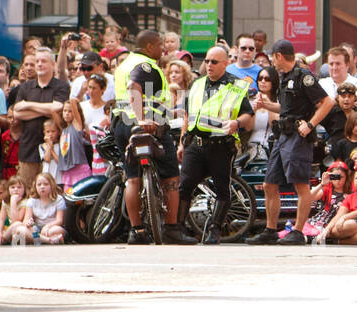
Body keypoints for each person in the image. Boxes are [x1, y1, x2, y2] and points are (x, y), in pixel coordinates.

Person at [246, 39, 335, 245]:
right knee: (269, 184)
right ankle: (270, 229)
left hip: (298, 137)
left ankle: (298, 230)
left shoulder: (304, 76)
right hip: (282, 136)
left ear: (278, 56)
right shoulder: (284, 77)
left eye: (272, 57)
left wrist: (310, 125)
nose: (271, 62)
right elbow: (285, 109)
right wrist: (267, 105)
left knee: (301, 185)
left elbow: (327, 102)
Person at [110, 31, 190, 244]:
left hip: (122, 125)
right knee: (171, 177)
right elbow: (133, 88)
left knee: (132, 178)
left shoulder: (123, 65)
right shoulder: (145, 65)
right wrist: (142, 119)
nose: (163, 49)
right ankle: (172, 229)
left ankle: (137, 232)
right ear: (148, 46)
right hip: (149, 127)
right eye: (159, 45)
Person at [177, 45, 254, 244]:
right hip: (195, 144)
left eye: (214, 62)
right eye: (207, 61)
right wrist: (181, 142)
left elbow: (248, 114)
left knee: (222, 188)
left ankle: (215, 229)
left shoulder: (236, 86)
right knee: (185, 186)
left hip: (220, 145)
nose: (209, 65)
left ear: (225, 64)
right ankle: (178, 229)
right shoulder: (196, 84)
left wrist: (237, 123)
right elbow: (187, 116)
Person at [9, 46, 69, 193]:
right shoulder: (25, 87)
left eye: (43, 61)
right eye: (37, 61)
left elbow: (58, 108)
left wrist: (28, 105)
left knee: (53, 193)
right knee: (27, 193)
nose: (39, 64)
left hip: (54, 151)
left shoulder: (62, 86)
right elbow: (16, 113)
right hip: (28, 149)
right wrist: (47, 110)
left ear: (53, 64)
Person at [24, 172, 66, 244]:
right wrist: (28, 223)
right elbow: (26, 220)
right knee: (22, 230)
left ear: (52, 185)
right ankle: (49, 240)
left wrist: (47, 226)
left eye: (46, 184)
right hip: (37, 229)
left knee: (55, 231)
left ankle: (39, 239)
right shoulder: (31, 201)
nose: (42, 187)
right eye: (39, 184)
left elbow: (60, 220)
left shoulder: (59, 199)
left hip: (52, 227)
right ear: (35, 186)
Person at [249, 65, 280, 158]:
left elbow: (275, 125)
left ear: (273, 82)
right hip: (251, 148)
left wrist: (267, 104)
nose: (263, 81)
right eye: (260, 78)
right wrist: (253, 110)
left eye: (267, 79)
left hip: (271, 148)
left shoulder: (278, 102)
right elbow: (248, 127)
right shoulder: (251, 100)